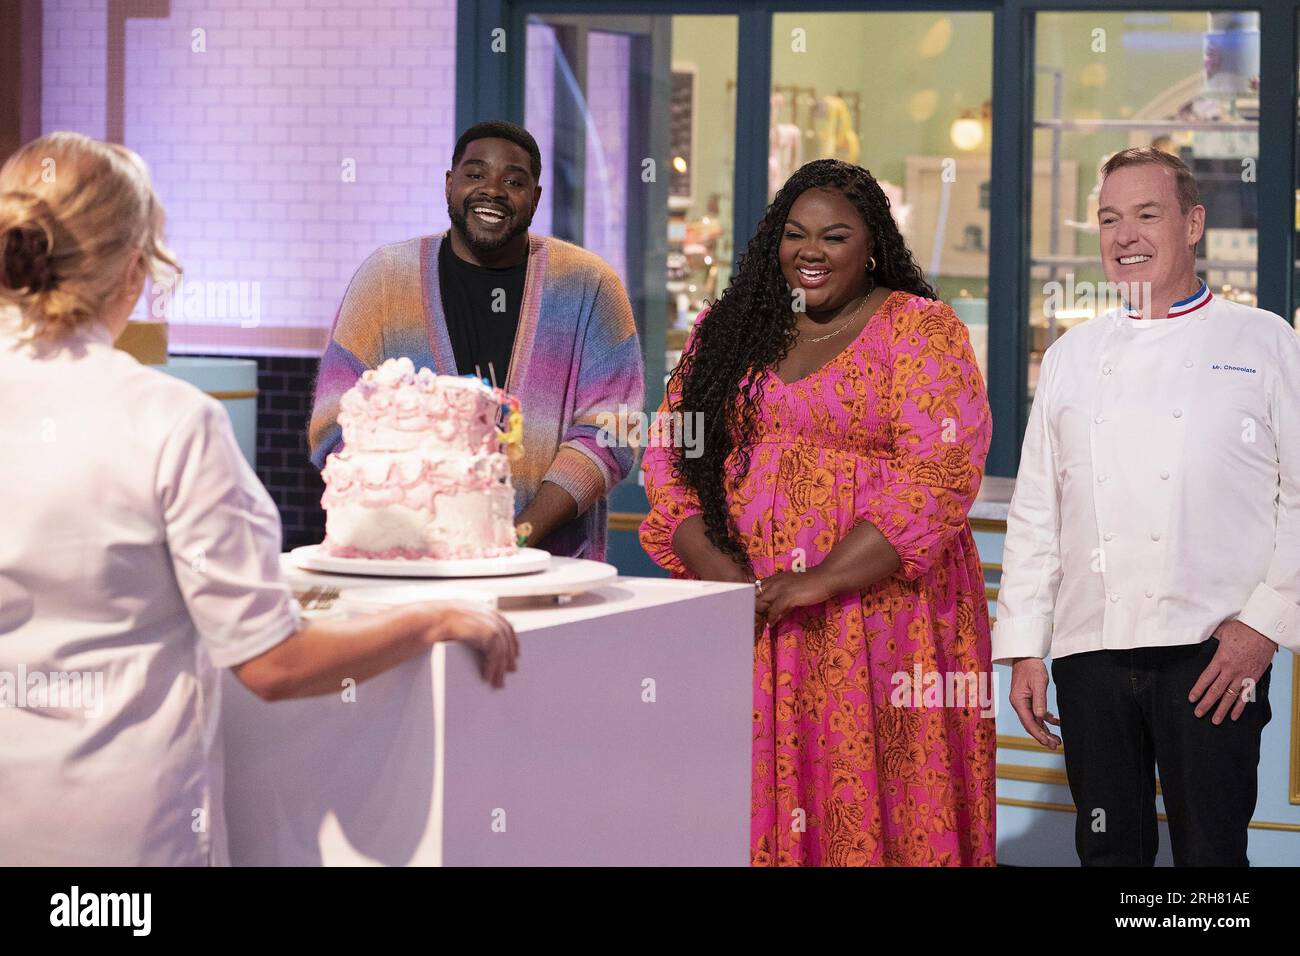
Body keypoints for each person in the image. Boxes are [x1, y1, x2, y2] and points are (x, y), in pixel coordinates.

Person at [0, 132, 519, 866]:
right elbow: (273, 665)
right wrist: (429, 618)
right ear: (134, 268)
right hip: (116, 829)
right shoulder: (167, 422)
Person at [640, 159, 995, 866]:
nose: (812, 251)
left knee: (860, 799)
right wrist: (720, 574)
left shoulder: (920, 329)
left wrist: (821, 578)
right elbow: (669, 455)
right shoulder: (729, 327)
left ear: (872, 246)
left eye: (835, 236)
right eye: (795, 234)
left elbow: (941, 472)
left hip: (877, 617)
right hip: (741, 611)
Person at [995, 146, 1299, 866]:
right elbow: (1039, 508)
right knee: (1107, 854)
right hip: (1089, 651)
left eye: (1146, 215)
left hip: (1213, 656)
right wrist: (1023, 648)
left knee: (1210, 857)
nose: (1124, 235)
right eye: (1108, 219)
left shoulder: (1263, 340)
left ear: (1192, 224)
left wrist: (1263, 627)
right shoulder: (1073, 354)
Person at [309, 121, 644, 560]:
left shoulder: (590, 286)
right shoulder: (385, 280)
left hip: (552, 574)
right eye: (474, 174)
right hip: (405, 573)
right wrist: (428, 527)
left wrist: (516, 535)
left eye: (513, 180)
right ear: (449, 185)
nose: (492, 190)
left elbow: (613, 430)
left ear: (536, 197)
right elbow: (335, 423)